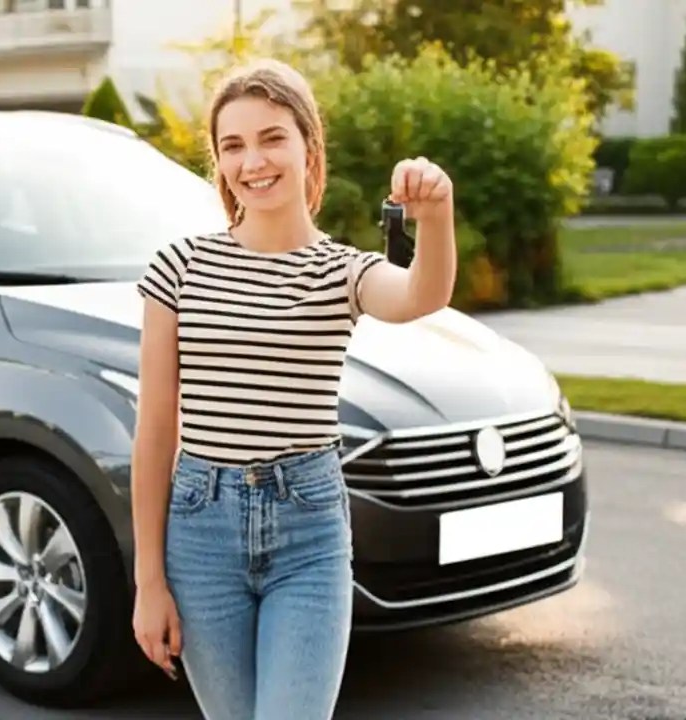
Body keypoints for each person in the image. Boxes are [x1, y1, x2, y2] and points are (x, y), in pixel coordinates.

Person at [130, 57, 457, 719]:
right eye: (233, 145)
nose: (254, 160)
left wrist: (437, 213)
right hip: (201, 533)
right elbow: (156, 430)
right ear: (219, 164)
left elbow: (423, 293)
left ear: (309, 147)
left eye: (272, 137)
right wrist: (148, 580)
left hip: (308, 535)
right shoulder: (180, 267)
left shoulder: (343, 271)